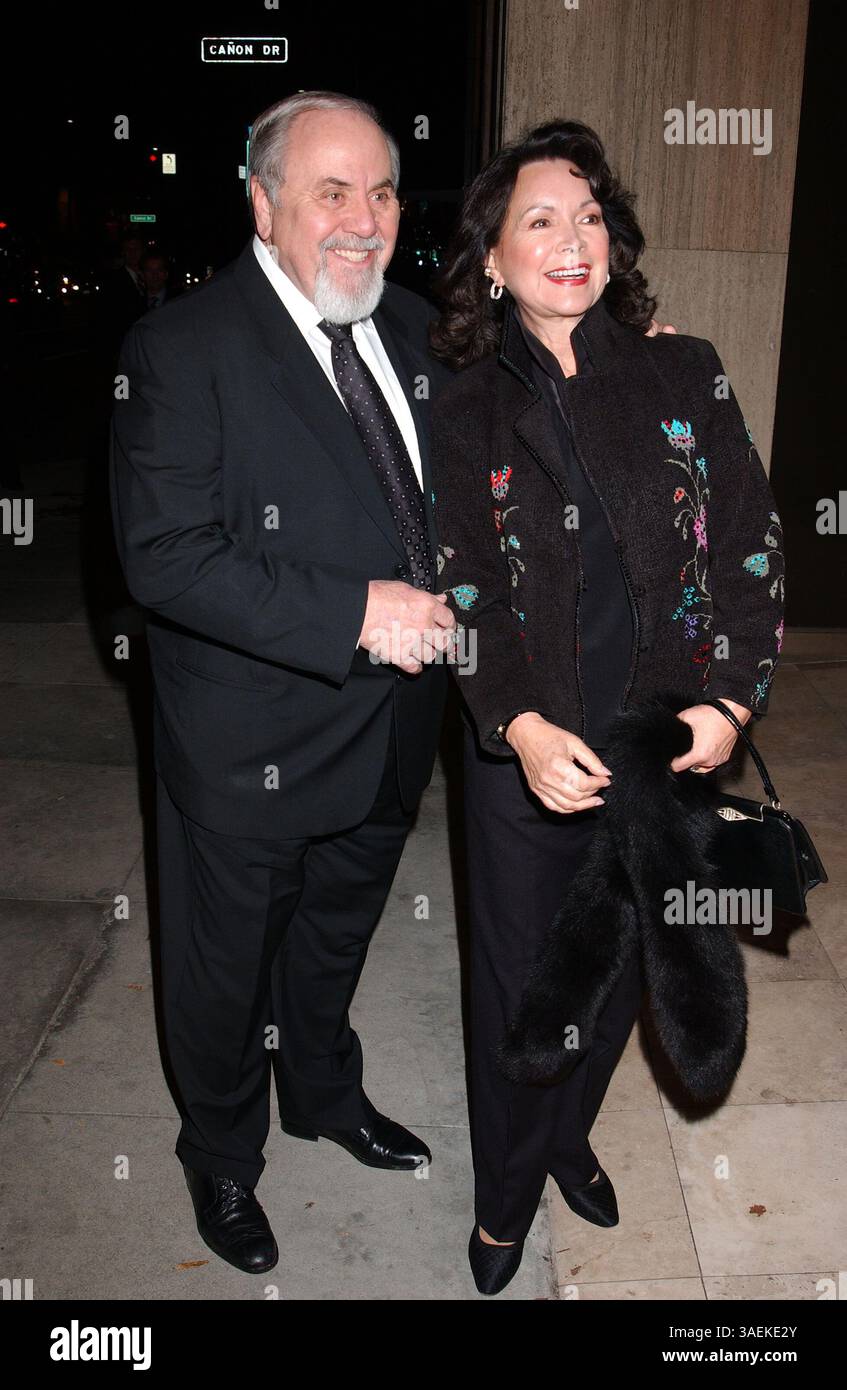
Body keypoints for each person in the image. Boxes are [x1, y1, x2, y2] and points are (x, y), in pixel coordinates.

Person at [428, 118, 784, 1295]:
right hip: (529, 749)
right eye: (540, 218)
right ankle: (502, 1198)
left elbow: (746, 544)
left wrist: (730, 705)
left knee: (624, 962)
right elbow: (460, 585)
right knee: (519, 988)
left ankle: (568, 1135)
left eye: (588, 216)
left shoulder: (683, 370)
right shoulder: (463, 406)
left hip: (666, 743)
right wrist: (522, 728)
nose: (570, 239)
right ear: (492, 256)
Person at [109, 91, 458, 1274]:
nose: (362, 220)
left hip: (391, 733)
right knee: (221, 969)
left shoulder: (414, 327)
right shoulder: (180, 349)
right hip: (248, 739)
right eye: (328, 192)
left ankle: (320, 1089)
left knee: (336, 936)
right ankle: (220, 1151)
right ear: (262, 206)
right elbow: (165, 555)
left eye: (380, 192)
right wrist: (355, 611)